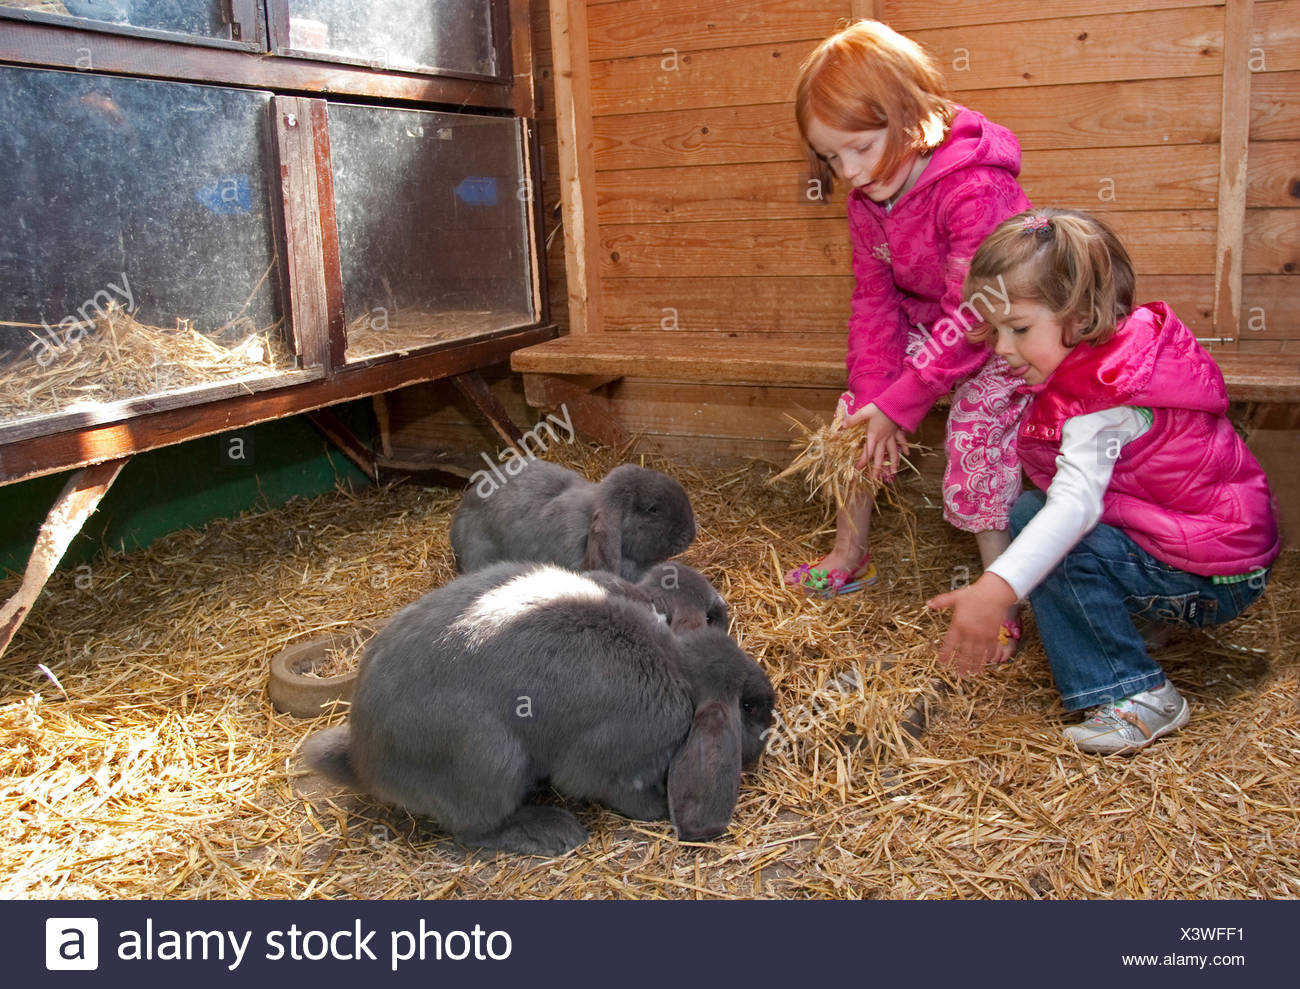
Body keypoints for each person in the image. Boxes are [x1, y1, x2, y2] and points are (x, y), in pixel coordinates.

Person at [928, 207, 1280, 754]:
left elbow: (1075, 509)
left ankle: (1136, 693)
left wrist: (996, 587)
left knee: (1056, 533)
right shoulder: (1118, 363)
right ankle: (1132, 622)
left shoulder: (1102, 403)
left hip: (1215, 581)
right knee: (1028, 512)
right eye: (996, 330)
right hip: (1214, 555)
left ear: (1082, 315)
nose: (1001, 348)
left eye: (1018, 329)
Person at [785, 20, 1031, 662]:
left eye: (860, 148)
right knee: (852, 419)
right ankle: (850, 554)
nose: (850, 172)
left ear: (910, 116)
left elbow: (977, 309)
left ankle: (998, 595)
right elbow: (873, 301)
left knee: (978, 430)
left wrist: (907, 397)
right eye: (832, 158)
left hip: (1003, 326)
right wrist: (877, 397)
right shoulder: (868, 198)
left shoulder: (976, 186)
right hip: (935, 325)